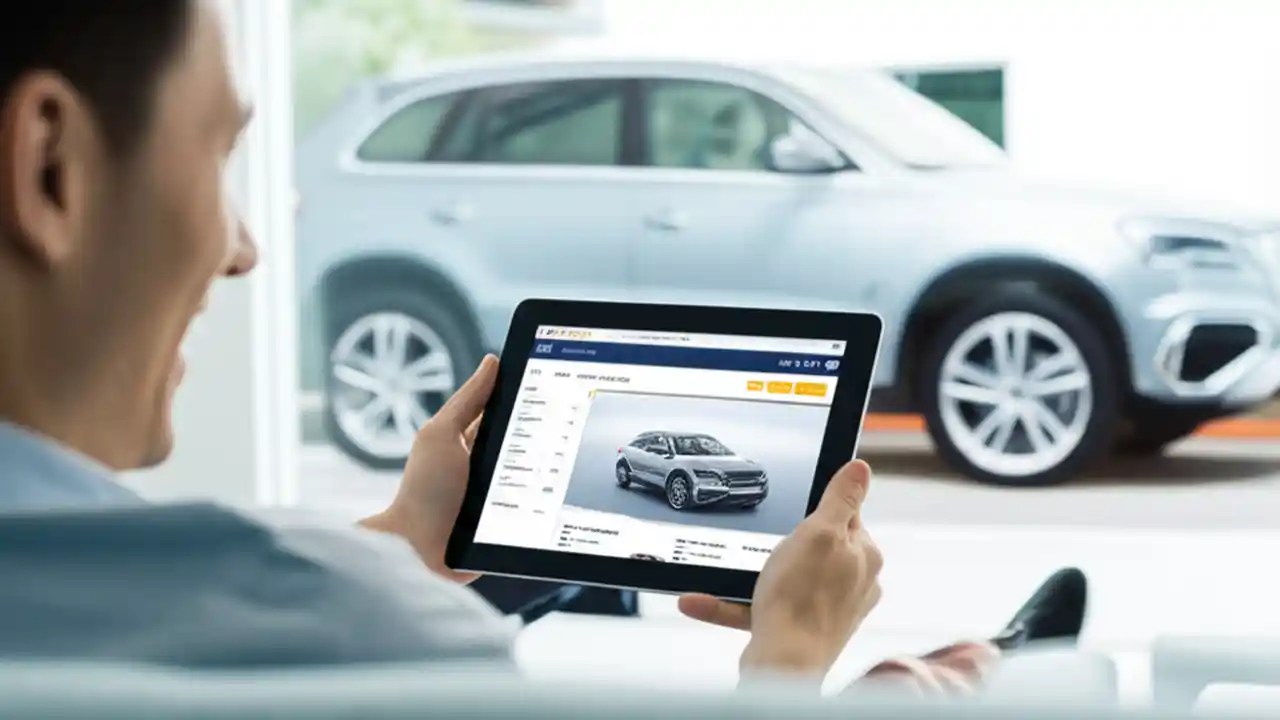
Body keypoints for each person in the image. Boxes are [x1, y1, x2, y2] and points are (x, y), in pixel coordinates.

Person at [0, 0, 993, 692]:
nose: (245, 249)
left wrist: (401, 543)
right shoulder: (368, 641)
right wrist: (790, 667)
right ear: (50, 165)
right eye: (217, 153)